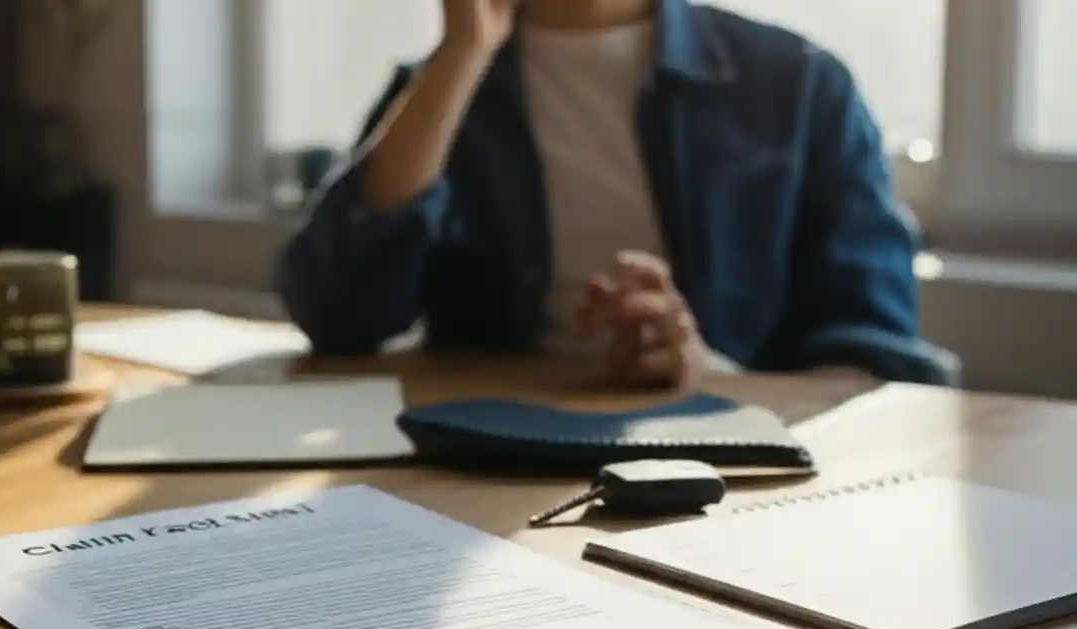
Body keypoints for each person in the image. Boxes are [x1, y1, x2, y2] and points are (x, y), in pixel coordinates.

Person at [278, 0, 957, 388]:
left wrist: (713, 377)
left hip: (725, 475)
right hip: (487, 459)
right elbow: (338, 316)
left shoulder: (799, 86)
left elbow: (875, 352)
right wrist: (461, 52)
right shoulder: (440, 90)